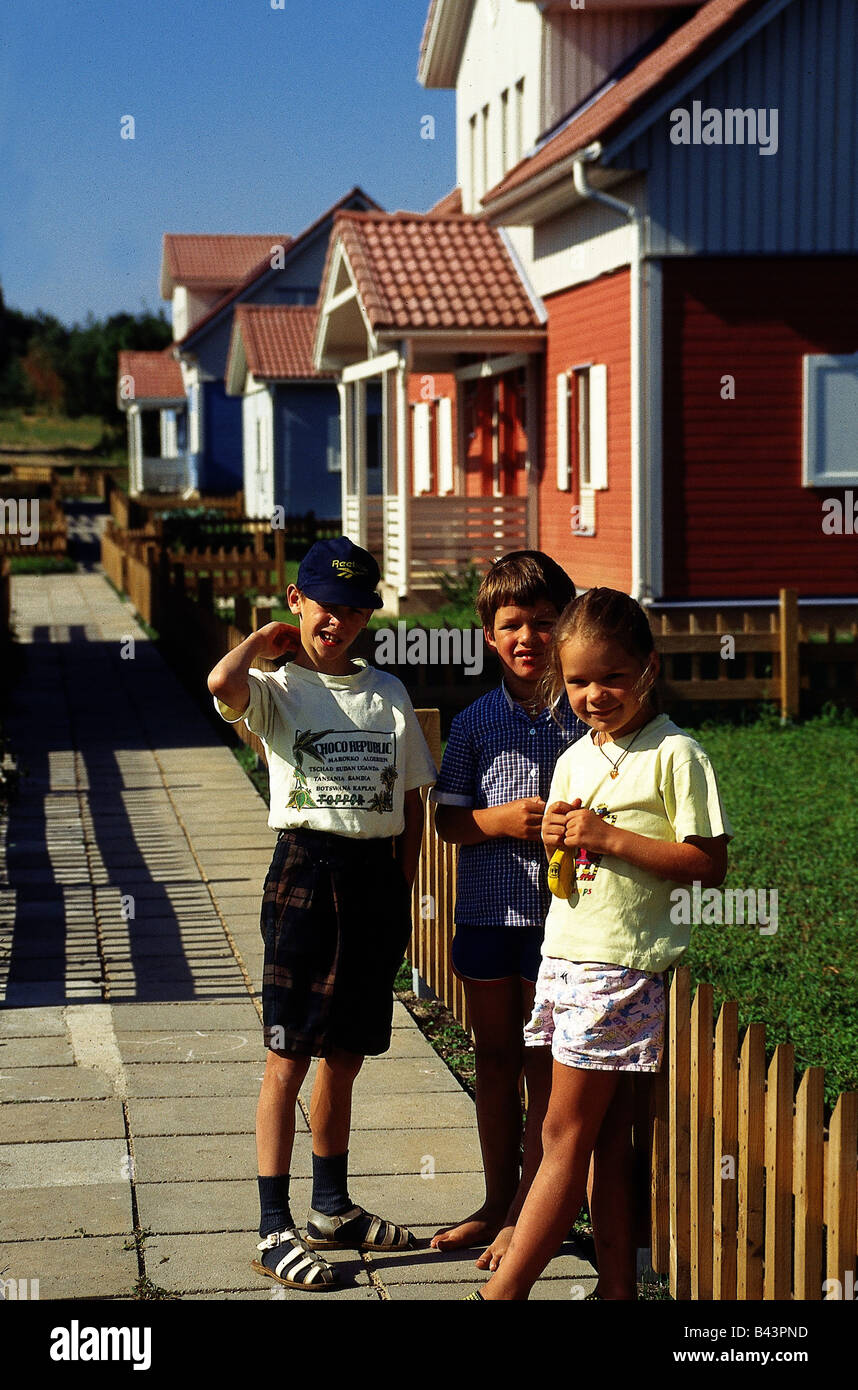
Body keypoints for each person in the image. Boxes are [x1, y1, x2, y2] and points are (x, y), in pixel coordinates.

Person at [468, 586, 732, 1300]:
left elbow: (709, 864)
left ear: (647, 667)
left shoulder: (676, 754)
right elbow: (570, 876)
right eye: (578, 681)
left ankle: (503, 1294)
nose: (594, 695)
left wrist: (611, 836)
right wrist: (559, 844)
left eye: (611, 677)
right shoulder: (579, 756)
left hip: (619, 967)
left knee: (561, 1135)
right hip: (567, 956)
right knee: (604, 1145)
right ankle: (617, 1290)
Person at [207, 536, 437, 1290]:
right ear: (296, 601)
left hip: (374, 884)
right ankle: (273, 1227)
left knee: (347, 1054)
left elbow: (410, 806)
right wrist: (261, 642)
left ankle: (331, 1207)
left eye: (351, 608)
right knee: (289, 1053)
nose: (334, 621)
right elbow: (220, 682)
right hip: (306, 875)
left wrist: (400, 897)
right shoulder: (276, 691)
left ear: (369, 613)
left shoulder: (389, 694)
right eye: (320, 605)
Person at [428, 551, 585, 1268]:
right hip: (488, 918)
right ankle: (496, 1204)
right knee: (494, 1061)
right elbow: (447, 821)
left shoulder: (586, 719)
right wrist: (496, 822)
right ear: (489, 635)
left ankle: (533, 1209)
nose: (528, 638)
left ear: (567, 627)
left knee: (547, 1067)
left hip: (565, 925)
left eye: (545, 623)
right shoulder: (474, 722)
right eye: (512, 625)